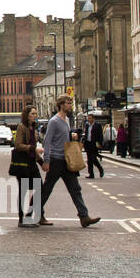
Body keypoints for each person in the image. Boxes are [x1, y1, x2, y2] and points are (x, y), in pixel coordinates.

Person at [38, 94, 100, 228]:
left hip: (67, 160)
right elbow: (47, 141)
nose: (70, 105)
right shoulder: (54, 121)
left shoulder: (66, 120)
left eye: (70, 103)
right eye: (68, 103)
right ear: (61, 105)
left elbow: (62, 139)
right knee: (47, 189)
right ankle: (33, 213)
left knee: (75, 189)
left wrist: (71, 136)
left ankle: (84, 217)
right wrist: (46, 160)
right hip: (55, 160)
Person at [11, 106, 42, 227]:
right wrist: (33, 148)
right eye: (33, 113)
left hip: (32, 163)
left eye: (36, 113)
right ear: (27, 115)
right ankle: (21, 219)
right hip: (23, 164)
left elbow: (33, 150)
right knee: (23, 191)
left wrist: (41, 162)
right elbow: (18, 145)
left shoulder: (33, 129)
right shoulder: (21, 128)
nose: (35, 115)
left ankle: (29, 216)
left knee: (39, 188)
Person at [84, 113, 105, 179]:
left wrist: (100, 144)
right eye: (88, 118)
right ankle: (91, 174)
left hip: (94, 144)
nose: (88, 119)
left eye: (90, 118)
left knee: (93, 159)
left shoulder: (97, 125)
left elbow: (100, 136)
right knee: (89, 160)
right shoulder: (87, 125)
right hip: (88, 144)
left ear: (93, 118)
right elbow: (86, 134)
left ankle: (100, 169)